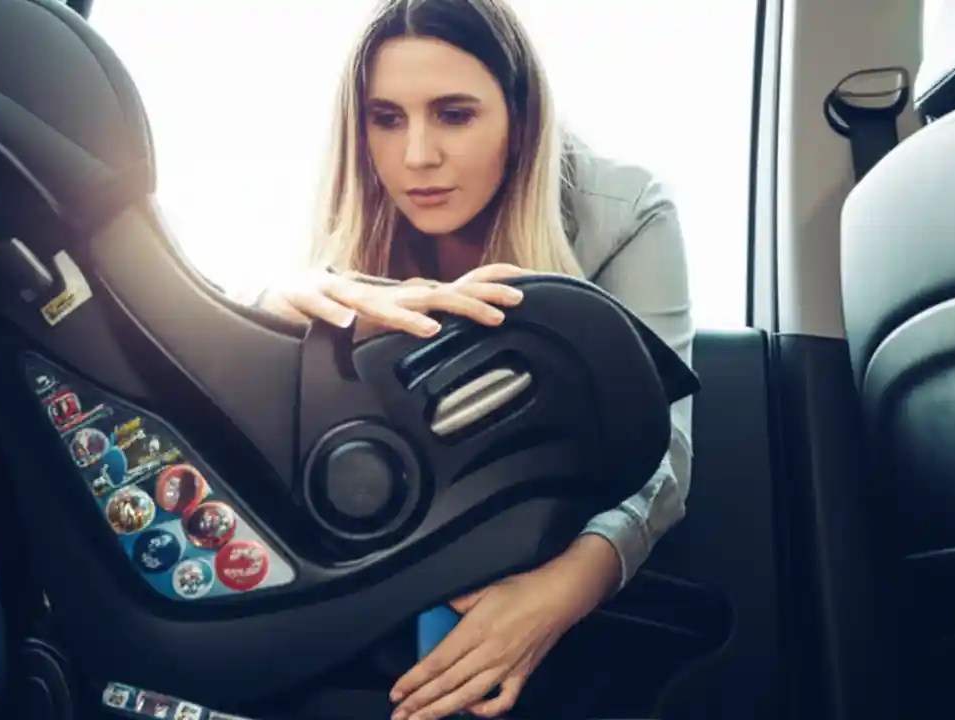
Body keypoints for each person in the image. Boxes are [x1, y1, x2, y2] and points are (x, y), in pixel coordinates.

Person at [257, 1, 694, 718]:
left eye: (454, 114)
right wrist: (281, 307)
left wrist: (555, 597)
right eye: (386, 118)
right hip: (382, 554)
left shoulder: (627, 210)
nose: (416, 157)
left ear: (519, 116)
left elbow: (666, 457)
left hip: (556, 545)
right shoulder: (352, 213)